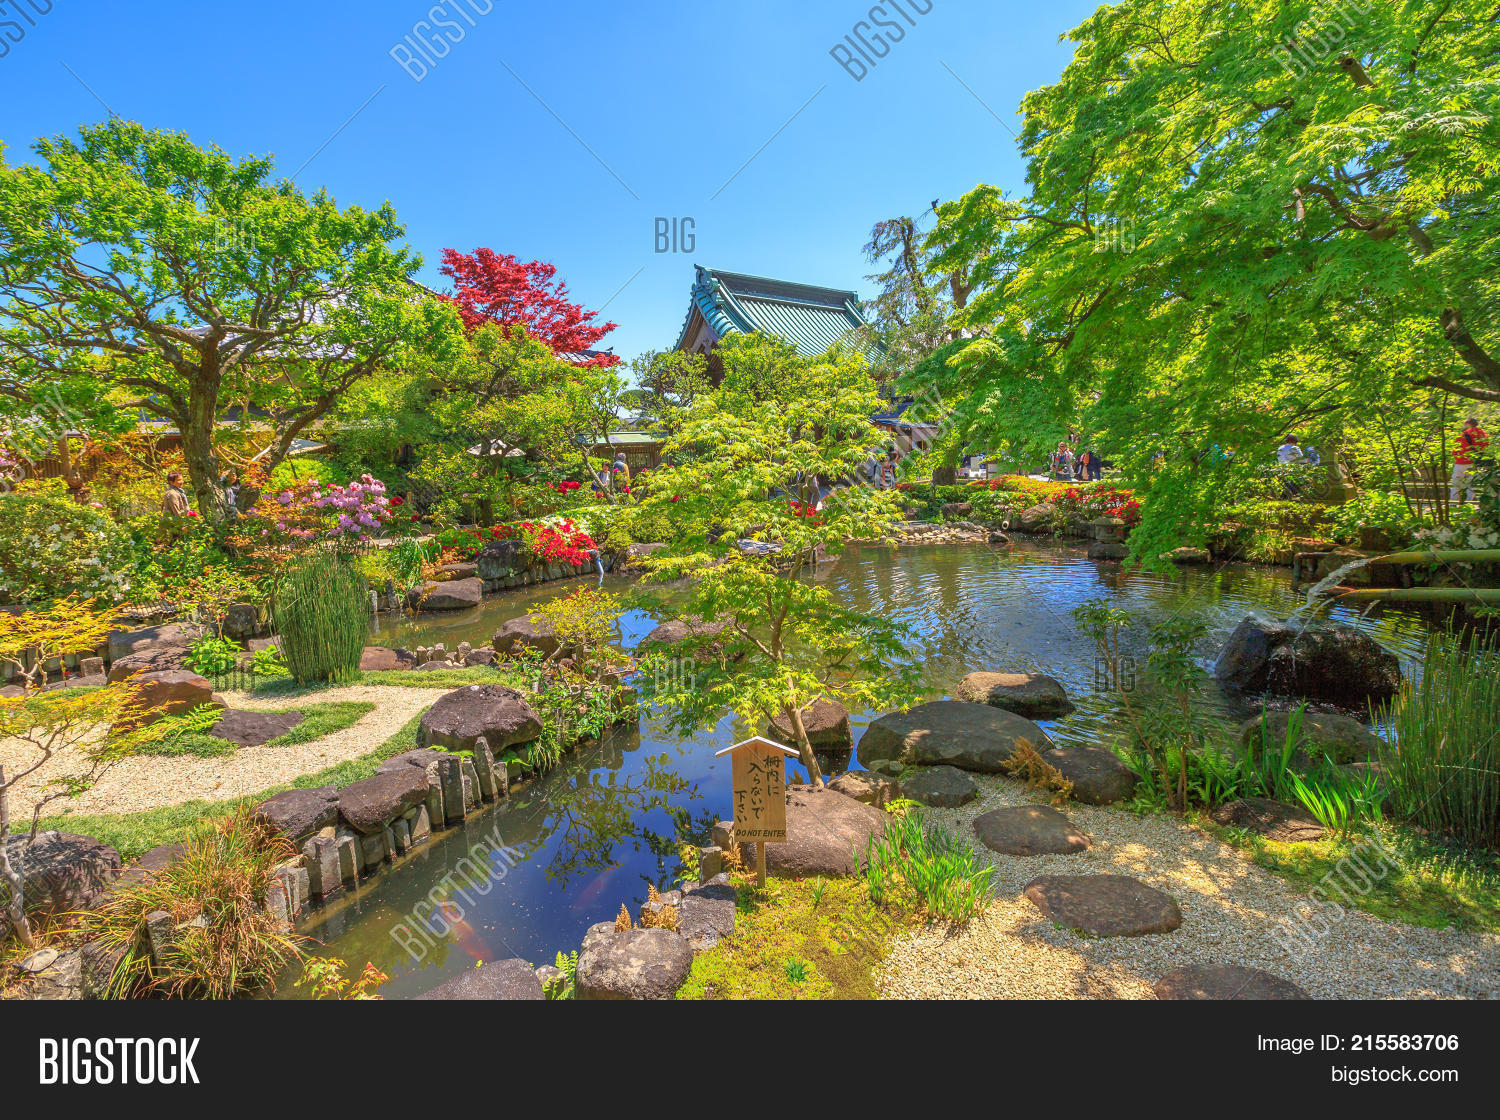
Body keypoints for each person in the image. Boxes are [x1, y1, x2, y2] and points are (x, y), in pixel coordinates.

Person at [1451, 416, 1491, 504]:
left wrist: (1457, 457)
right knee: (1472, 485)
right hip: (1475, 463)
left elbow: (1455, 450)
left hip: (1460, 462)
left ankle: (1453, 504)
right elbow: (1485, 446)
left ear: (1468, 424)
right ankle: (1470, 504)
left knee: (1456, 484)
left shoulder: (1463, 435)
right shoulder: (1482, 434)